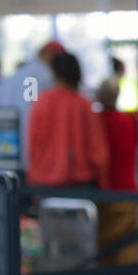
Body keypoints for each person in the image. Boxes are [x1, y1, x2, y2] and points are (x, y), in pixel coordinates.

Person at [26, 52, 108, 189]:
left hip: (43, 184)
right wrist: (103, 180)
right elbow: (97, 151)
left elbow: (32, 144)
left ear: (54, 72)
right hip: (81, 184)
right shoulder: (83, 104)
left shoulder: (40, 102)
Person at [0, 41, 64, 170]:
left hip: (7, 147)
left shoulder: (15, 76)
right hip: (33, 150)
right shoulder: (46, 76)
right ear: (49, 56)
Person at [95, 77, 138, 275]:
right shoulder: (128, 120)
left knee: (103, 250)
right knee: (126, 250)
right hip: (126, 192)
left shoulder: (95, 121)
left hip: (103, 194)